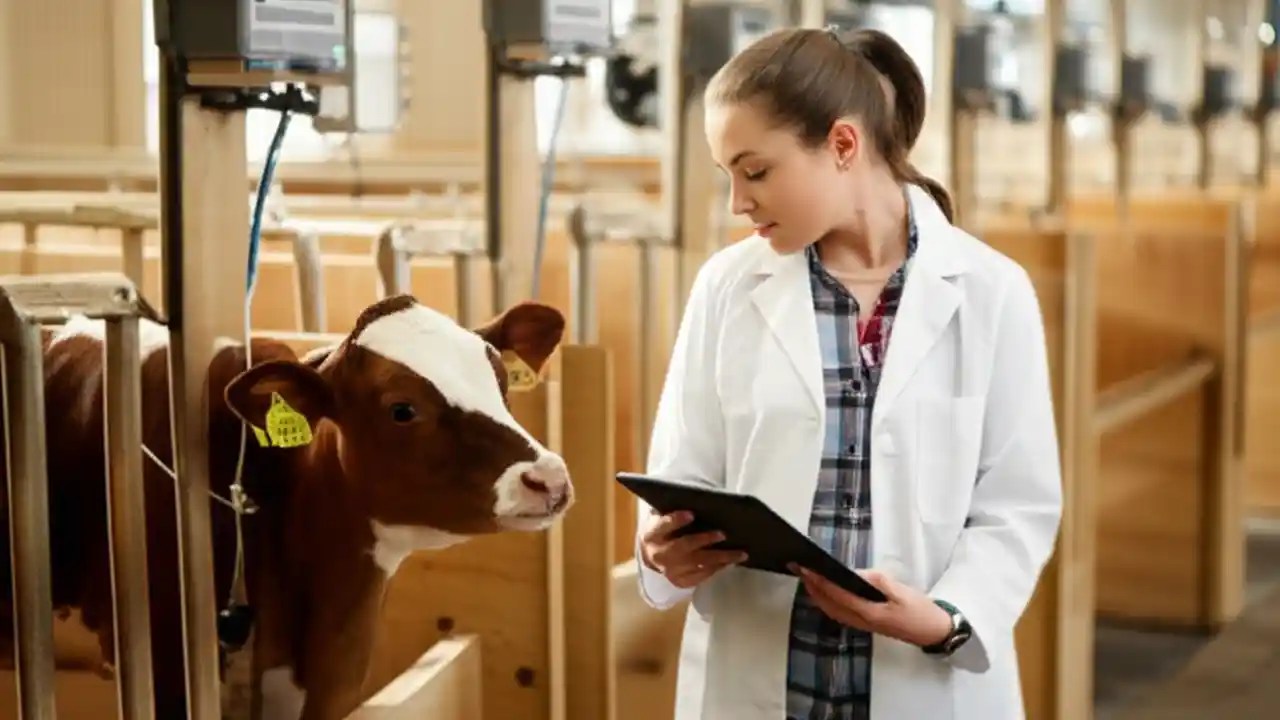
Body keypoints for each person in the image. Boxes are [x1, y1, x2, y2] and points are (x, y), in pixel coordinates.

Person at [633, 25, 1063, 720]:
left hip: (923, 683)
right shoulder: (727, 286)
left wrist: (943, 618)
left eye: (756, 171)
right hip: (759, 683)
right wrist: (663, 554)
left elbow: (1018, 505)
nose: (738, 203)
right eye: (728, 176)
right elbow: (684, 471)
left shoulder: (990, 290)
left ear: (841, 145)